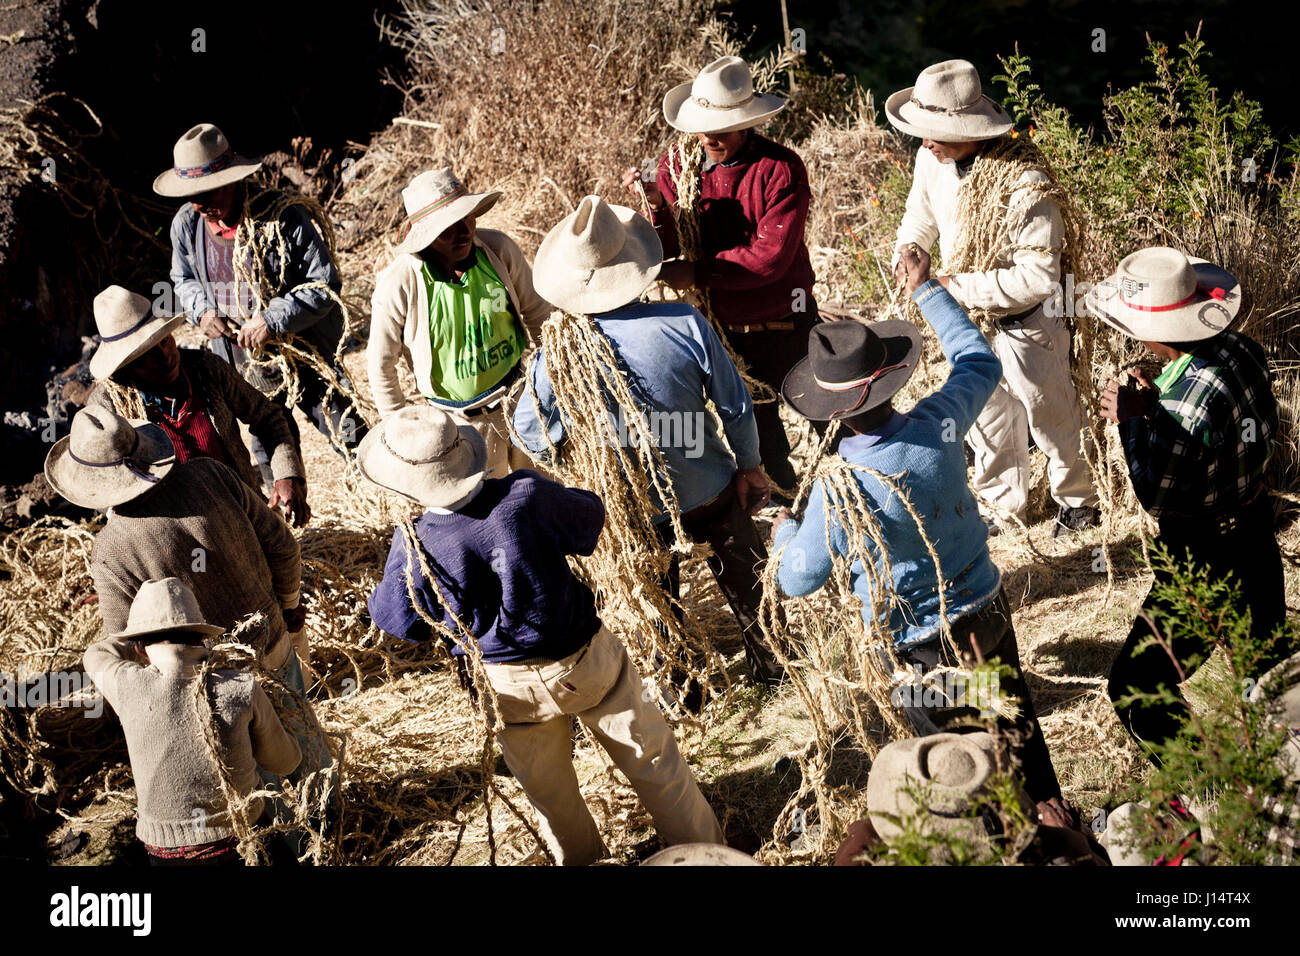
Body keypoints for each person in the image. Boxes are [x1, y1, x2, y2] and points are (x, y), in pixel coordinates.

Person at [362, 405, 724, 865]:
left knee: (551, 799)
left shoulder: (418, 542)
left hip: (506, 687)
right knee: (654, 762)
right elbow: (590, 518)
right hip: (584, 660)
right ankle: (708, 855)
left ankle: (585, 860)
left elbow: (397, 620)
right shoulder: (523, 495)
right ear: (464, 454)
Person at [771, 245, 1062, 803]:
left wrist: (787, 528)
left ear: (830, 413)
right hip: (987, 608)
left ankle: (1001, 847)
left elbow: (795, 578)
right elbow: (979, 362)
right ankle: (1060, 831)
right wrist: (927, 290)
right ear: (892, 380)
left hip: (919, 648)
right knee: (1019, 738)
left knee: (961, 771)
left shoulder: (841, 490)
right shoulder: (939, 423)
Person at [511, 195, 782, 690]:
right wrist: (750, 465)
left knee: (659, 604)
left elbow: (528, 430)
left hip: (634, 504)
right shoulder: (683, 323)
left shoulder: (560, 354)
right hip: (709, 487)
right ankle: (774, 670)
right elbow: (736, 405)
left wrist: (585, 453)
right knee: (747, 582)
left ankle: (685, 693)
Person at [44, 407, 330, 802]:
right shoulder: (210, 474)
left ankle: (299, 846)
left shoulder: (111, 549)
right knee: (306, 741)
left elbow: (124, 644)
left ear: (92, 487)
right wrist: (287, 606)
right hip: (274, 641)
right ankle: (334, 816)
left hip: (214, 686)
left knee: (261, 785)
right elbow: (282, 546)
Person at [1089, 246, 1291, 757]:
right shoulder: (1241, 349)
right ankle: (1282, 782)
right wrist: (1154, 410)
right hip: (1255, 537)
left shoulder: (1180, 402)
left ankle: (1210, 789)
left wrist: (1133, 422)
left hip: (1205, 564)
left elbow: (1156, 492)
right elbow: (1226, 434)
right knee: (1270, 682)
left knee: (1137, 690)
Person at [886, 60, 1099, 536]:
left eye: (934, 131)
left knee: (1049, 411)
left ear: (968, 128)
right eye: (922, 130)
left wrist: (947, 288)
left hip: (1027, 321)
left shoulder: (1025, 182)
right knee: (987, 413)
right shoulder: (931, 159)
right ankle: (1005, 506)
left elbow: (1040, 277)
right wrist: (909, 250)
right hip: (967, 318)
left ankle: (1077, 499)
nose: (925, 141)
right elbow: (919, 215)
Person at [622, 55, 817, 494]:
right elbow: (666, 247)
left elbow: (770, 258)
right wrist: (654, 204)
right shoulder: (677, 165)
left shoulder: (780, 169)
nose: (709, 137)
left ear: (748, 122)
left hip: (787, 323)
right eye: (704, 126)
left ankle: (853, 499)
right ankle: (785, 506)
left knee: (827, 415)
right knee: (760, 436)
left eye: (723, 128)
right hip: (722, 331)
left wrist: (697, 274)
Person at [156, 122, 365, 471]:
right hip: (246, 362)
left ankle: (385, 491)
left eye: (210, 193)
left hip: (304, 348)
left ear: (233, 180)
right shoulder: (186, 226)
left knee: (345, 427)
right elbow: (182, 279)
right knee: (270, 442)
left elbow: (324, 285)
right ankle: (285, 509)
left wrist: (271, 320)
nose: (201, 206)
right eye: (194, 196)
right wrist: (204, 312)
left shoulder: (281, 216)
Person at [82, 578, 301, 866]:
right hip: (246, 842)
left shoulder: (128, 685)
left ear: (138, 648)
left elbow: (95, 655)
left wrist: (134, 632)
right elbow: (285, 762)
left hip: (167, 853)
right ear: (202, 636)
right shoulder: (240, 686)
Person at [367, 167, 552, 478]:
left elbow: (538, 314)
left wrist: (549, 380)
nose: (465, 230)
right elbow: (380, 365)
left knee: (541, 491)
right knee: (490, 510)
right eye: (449, 228)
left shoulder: (497, 251)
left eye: (467, 218)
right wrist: (403, 431)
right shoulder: (401, 283)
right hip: (462, 426)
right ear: (426, 237)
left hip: (522, 400)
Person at [84, 284, 309, 527]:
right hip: (176, 535)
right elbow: (96, 483)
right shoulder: (110, 407)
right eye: (146, 357)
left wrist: (286, 474)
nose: (165, 356)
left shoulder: (206, 370)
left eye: (165, 341)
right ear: (125, 368)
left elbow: (266, 417)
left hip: (242, 513)